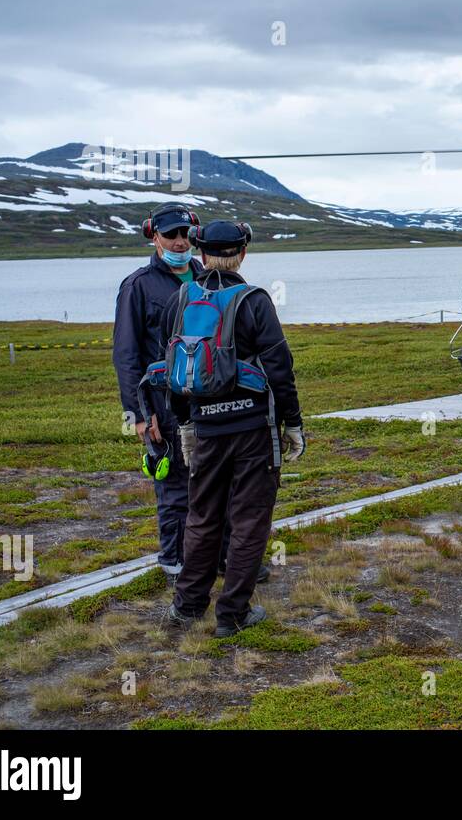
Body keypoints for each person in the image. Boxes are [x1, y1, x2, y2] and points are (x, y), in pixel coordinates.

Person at [165, 220, 305, 636]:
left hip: (205, 428)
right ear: (242, 253)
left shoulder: (183, 297)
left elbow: (173, 364)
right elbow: (280, 367)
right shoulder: (255, 300)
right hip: (253, 428)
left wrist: (186, 423)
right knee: (248, 521)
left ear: (201, 253)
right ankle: (233, 615)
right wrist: (293, 423)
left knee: (202, 516)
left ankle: (188, 607)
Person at [112, 203, 205, 583]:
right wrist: (138, 413)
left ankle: (213, 557)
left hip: (207, 398)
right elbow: (126, 354)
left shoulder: (206, 275)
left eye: (185, 235)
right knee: (174, 488)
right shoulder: (137, 286)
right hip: (163, 404)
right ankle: (175, 563)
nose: (180, 242)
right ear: (154, 236)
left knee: (214, 481)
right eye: (171, 235)